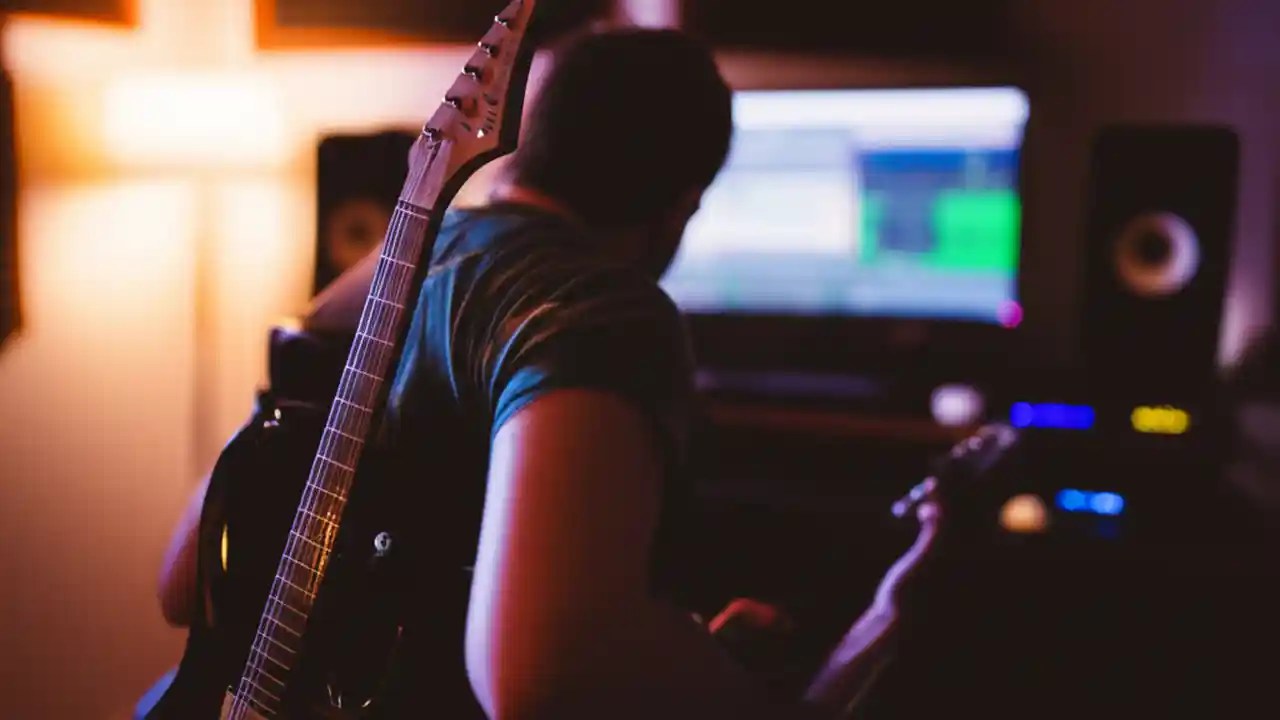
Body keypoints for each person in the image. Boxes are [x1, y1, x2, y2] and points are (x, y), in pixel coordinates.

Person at [157, 26, 943, 719]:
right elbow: (537, 678)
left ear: (525, 140)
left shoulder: (393, 268)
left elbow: (186, 583)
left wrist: (674, 648)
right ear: (683, 206)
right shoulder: (598, 311)